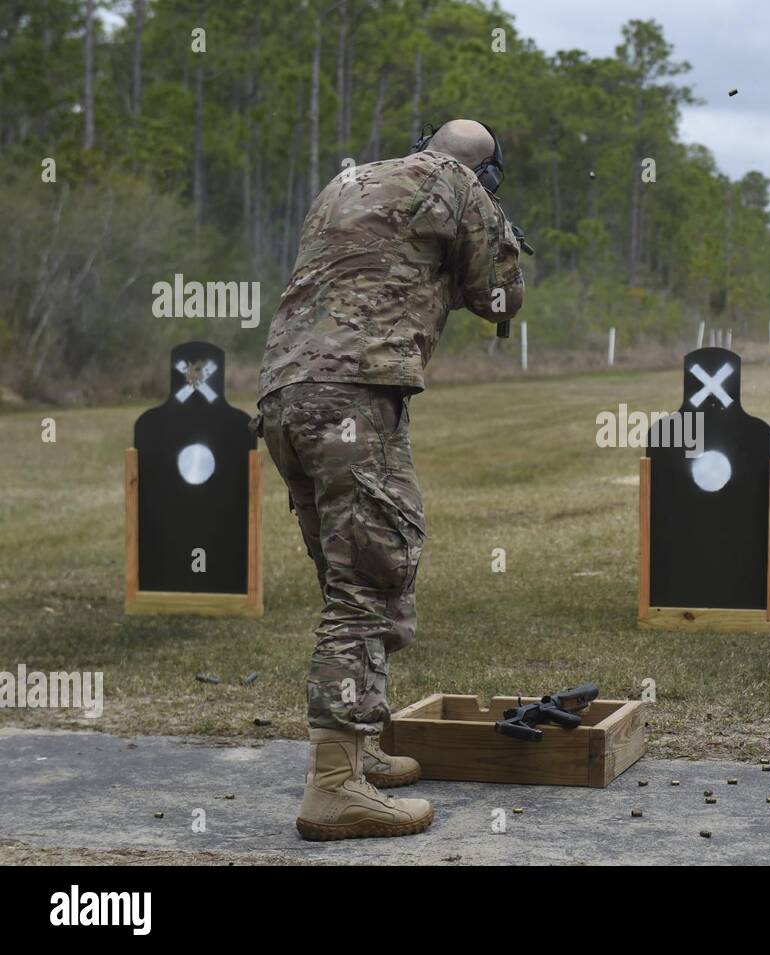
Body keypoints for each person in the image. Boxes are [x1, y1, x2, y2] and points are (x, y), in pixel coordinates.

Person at [253, 119, 524, 840]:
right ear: (486, 170)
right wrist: (503, 236)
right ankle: (334, 787)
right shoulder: (462, 185)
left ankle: (358, 748)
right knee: (366, 581)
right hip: (355, 394)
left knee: (352, 575)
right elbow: (496, 299)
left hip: (285, 394)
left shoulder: (350, 179)